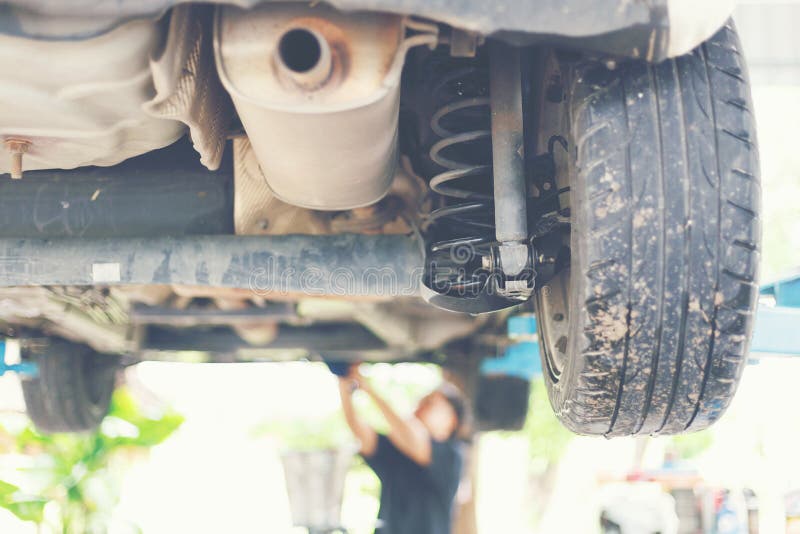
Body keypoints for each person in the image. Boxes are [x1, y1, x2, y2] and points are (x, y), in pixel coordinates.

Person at [338, 365, 466, 534]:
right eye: (422, 401)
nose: (421, 407)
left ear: (452, 420)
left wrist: (368, 389)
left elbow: (410, 437)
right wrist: (343, 384)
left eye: (431, 403)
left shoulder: (450, 454)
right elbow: (359, 430)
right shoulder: (399, 449)